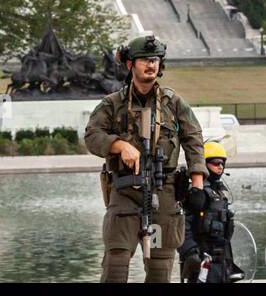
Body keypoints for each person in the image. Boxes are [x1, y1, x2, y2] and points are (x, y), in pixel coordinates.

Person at [85, 35, 206, 282]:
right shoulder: (113, 104)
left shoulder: (173, 103)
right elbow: (92, 135)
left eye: (155, 60)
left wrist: (198, 185)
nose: (151, 65)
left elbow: (194, 139)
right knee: (115, 263)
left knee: (160, 266)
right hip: (125, 191)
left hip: (163, 193)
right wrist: (119, 146)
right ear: (130, 65)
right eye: (144, 60)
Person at [180, 142, 244, 282]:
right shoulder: (198, 194)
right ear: (205, 164)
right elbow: (182, 225)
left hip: (222, 261)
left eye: (222, 163)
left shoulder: (220, 192)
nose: (220, 166)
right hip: (203, 262)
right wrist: (191, 252)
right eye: (215, 163)